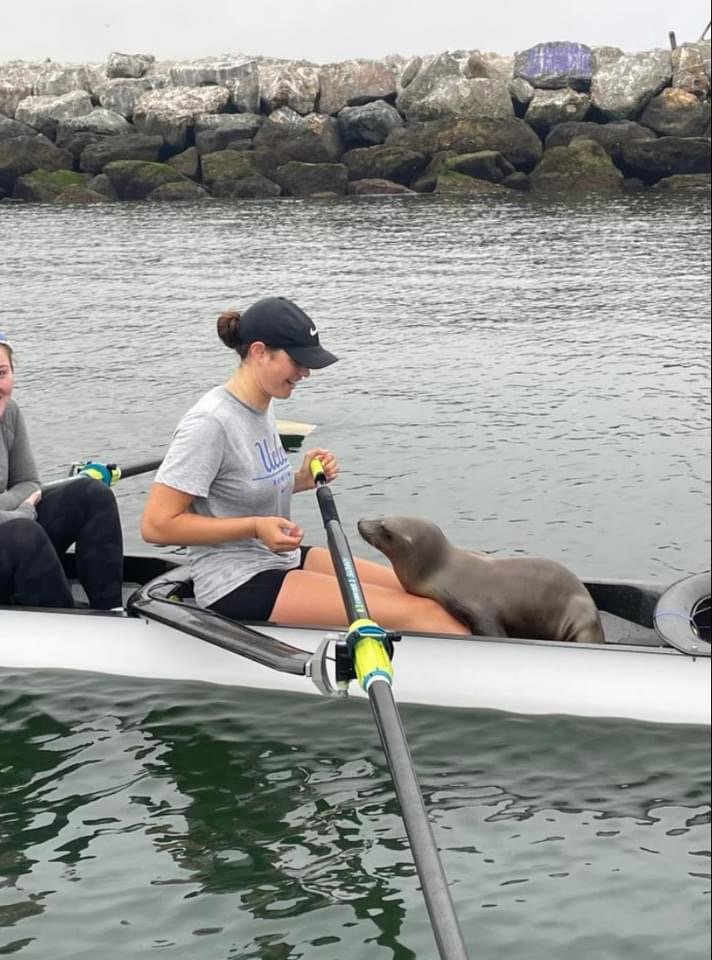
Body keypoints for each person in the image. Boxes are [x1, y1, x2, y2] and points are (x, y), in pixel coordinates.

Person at [141, 296, 468, 634]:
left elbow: (240, 486)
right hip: (234, 581)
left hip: (279, 558)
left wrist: (298, 479)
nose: (306, 372)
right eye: (297, 360)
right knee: (431, 618)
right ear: (258, 352)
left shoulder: (262, 404)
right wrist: (255, 527)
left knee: (434, 594)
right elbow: (156, 526)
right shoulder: (210, 423)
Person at [0, 331, 124, 610]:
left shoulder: (9, 413)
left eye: (1, 373)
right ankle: (69, 634)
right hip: (17, 533)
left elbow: (29, 483)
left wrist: (12, 510)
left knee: (92, 494)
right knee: (23, 533)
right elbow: (26, 502)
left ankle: (113, 612)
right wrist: (20, 512)